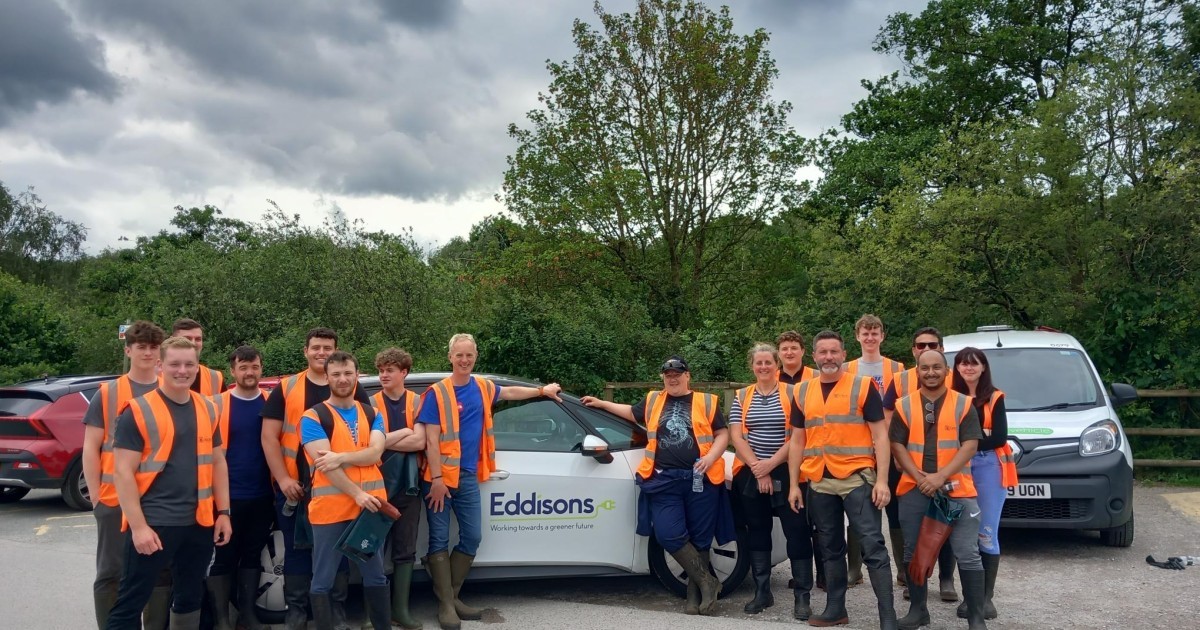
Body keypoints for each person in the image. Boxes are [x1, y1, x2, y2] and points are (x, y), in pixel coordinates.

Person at [419, 333, 563, 630]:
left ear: (476, 356)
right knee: (438, 540)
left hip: (468, 476)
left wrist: (542, 391)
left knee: (472, 537)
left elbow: (509, 393)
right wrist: (436, 479)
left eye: (469, 355)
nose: (464, 360)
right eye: (459, 355)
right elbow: (431, 442)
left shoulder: (483, 387)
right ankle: (446, 605)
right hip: (438, 480)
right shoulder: (437, 393)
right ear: (450, 357)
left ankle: (452, 596)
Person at [583, 356, 729, 617]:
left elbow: (722, 433)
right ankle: (708, 581)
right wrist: (601, 402)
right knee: (667, 532)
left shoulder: (706, 401)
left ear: (687, 375)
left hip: (700, 479)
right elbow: (630, 412)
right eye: (667, 374)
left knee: (701, 535)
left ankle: (694, 595)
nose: (672, 378)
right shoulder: (653, 400)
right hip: (664, 478)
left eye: (677, 373)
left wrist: (710, 458)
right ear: (663, 377)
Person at [106, 336, 232, 630]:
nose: (182, 370)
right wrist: (138, 527)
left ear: (197, 367)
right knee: (130, 602)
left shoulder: (208, 408)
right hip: (154, 523)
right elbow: (122, 472)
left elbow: (217, 463)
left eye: (189, 364)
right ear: (160, 365)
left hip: (199, 522)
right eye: (175, 364)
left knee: (190, 597)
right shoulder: (137, 411)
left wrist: (223, 513)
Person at [261, 327, 372, 630]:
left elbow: (369, 434)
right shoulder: (287, 387)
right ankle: (297, 613)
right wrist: (283, 479)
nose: (321, 353)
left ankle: (334, 615)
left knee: (339, 552)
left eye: (327, 348)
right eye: (316, 348)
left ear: (335, 351)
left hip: (341, 489)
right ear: (305, 351)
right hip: (296, 487)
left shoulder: (351, 387)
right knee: (297, 550)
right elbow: (269, 438)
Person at [786, 330, 897, 630]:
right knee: (829, 547)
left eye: (834, 352)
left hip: (857, 479)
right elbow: (797, 441)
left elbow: (880, 436)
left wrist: (883, 481)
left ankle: (887, 616)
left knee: (873, 546)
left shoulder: (862, 387)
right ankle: (835, 609)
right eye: (823, 352)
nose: (828, 358)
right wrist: (795, 484)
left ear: (843, 354)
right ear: (815, 356)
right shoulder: (802, 391)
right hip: (819, 480)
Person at [890, 350, 987, 630]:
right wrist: (919, 477)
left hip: (958, 488)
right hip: (914, 488)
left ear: (947, 370)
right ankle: (918, 611)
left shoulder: (964, 404)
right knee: (914, 552)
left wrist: (940, 476)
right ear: (917, 371)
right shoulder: (903, 405)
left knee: (967, 552)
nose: (930, 372)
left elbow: (970, 444)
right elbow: (897, 445)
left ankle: (976, 618)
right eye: (924, 368)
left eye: (936, 367)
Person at [82, 320, 169, 630]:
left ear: (161, 352)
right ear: (128, 350)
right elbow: (91, 448)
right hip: (113, 499)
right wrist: (95, 496)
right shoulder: (108, 393)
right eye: (141, 347)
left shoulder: (170, 389)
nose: (147, 353)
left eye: (153, 347)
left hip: (160, 499)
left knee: (160, 572)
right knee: (111, 573)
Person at [300, 350, 392, 630]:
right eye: (336, 374)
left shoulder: (372, 413)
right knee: (323, 578)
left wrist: (340, 456)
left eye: (348, 373)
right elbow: (323, 465)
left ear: (357, 375)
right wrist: (357, 494)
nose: (343, 379)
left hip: (370, 511)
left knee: (375, 575)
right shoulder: (313, 417)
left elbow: (376, 451)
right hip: (332, 511)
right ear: (326, 377)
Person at [728, 343, 813, 619]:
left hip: (788, 470)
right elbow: (737, 437)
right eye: (758, 363)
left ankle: (802, 596)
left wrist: (770, 465)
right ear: (752, 366)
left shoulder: (793, 393)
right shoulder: (742, 396)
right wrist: (758, 468)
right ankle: (763, 592)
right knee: (758, 530)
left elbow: (797, 436)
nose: (763, 367)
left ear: (777, 365)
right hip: (752, 473)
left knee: (797, 530)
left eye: (768, 362)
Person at [882, 326, 957, 602]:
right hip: (906, 467)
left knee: (946, 522)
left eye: (932, 344)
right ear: (913, 350)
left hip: (945, 468)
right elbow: (888, 420)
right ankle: (910, 580)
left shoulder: (952, 378)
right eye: (921, 345)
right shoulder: (899, 380)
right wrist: (899, 458)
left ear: (942, 348)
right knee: (906, 525)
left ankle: (946, 579)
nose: (926, 349)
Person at [207, 346, 274, 630]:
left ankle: (247, 617)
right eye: (243, 368)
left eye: (255, 367)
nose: (250, 373)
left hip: (262, 494)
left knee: (252, 554)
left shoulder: (271, 402)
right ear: (232, 371)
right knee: (223, 558)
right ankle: (223, 621)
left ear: (261, 368)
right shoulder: (215, 404)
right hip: (226, 498)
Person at [844, 314, 907, 593]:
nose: (870, 338)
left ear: (883, 336)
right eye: (865, 333)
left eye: (875, 333)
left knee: (894, 509)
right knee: (857, 509)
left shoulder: (897, 367)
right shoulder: (847, 368)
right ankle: (854, 569)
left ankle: (903, 571)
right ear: (857, 336)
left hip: (889, 444)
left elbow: (903, 410)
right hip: (857, 447)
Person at [951, 348, 1014, 621]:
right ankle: (969, 596)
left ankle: (984, 599)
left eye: (974, 363)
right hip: (957, 465)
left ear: (983, 367)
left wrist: (968, 444)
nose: (968, 368)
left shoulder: (995, 396)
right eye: (963, 364)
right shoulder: (949, 395)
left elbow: (999, 436)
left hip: (988, 464)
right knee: (962, 532)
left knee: (986, 531)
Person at [370, 347, 426, 629]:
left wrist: (384, 440)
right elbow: (368, 446)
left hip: (409, 486)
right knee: (373, 548)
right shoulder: (371, 402)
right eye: (380, 370)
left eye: (389, 370)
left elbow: (420, 443)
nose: (383, 375)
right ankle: (376, 615)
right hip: (375, 486)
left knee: (405, 549)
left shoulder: (417, 401)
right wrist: (404, 432)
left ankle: (400, 612)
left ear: (403, 372)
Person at [168, 318, 225, 395]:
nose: (193, 343)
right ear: (171, 341)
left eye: (198, 339)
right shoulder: (158, 376)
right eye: (187, 339)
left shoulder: (214, 379)